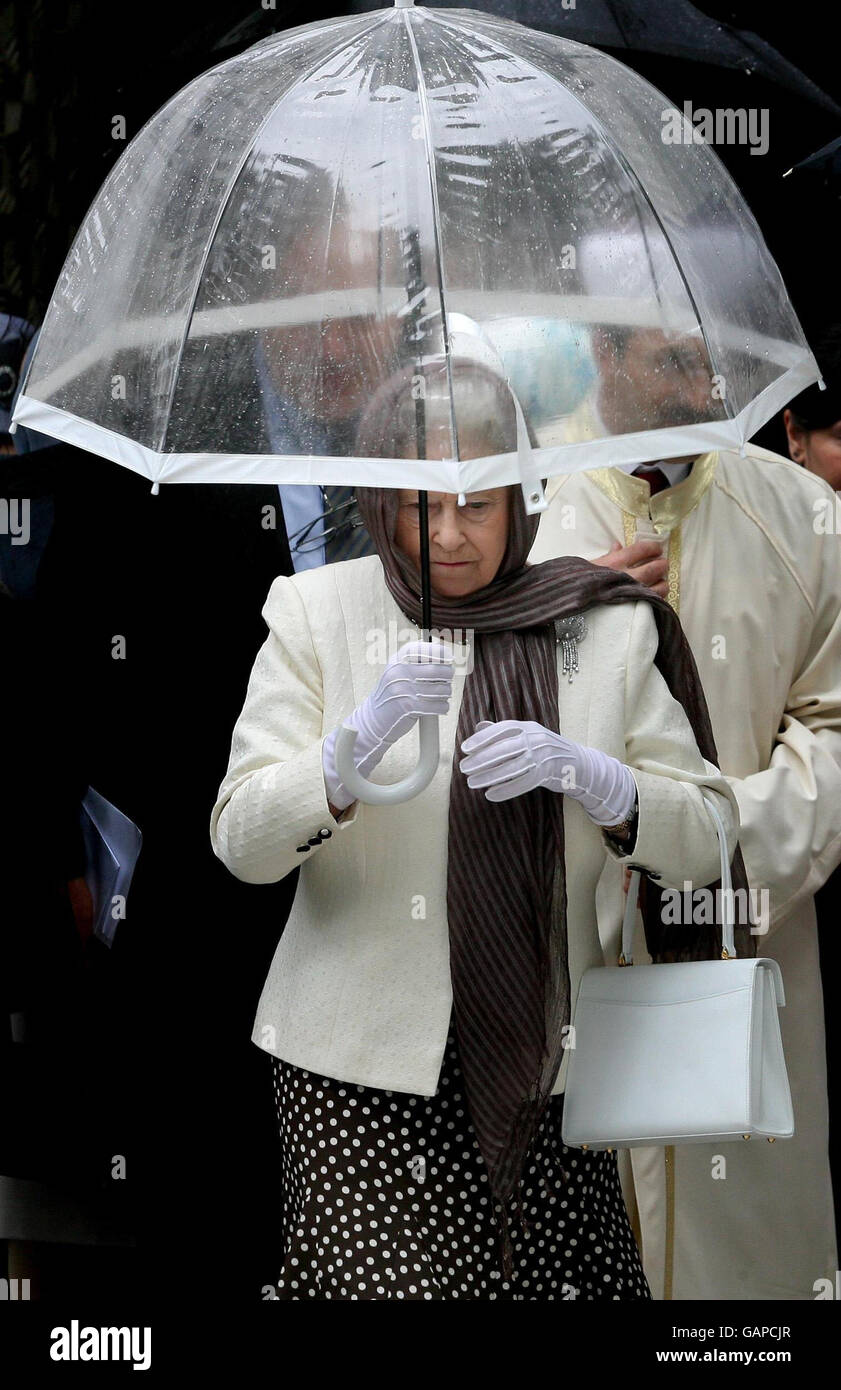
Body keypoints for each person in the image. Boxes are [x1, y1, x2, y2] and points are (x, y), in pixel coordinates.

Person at [210, 365, 745, 1301]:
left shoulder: (598, 625)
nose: (450, 536)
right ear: (380, 500)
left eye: (479, 505)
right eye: (421, 507)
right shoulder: (315, 612)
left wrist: (601, 781)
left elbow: (705, 836)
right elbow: (240, 841)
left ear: (522, 500)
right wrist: (346, 756)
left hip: (551, 1074)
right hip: (359, 1079)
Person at [529, 338, 841, 1299]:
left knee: (738, 1285)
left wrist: (702, 844)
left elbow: (833, 726)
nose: (699, 383)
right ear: (601, 352)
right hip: (565, 948)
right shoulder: (521, 506)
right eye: (666, 359)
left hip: (747, 946)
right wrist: (560, 609)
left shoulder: (803, 516)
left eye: (706, 359)